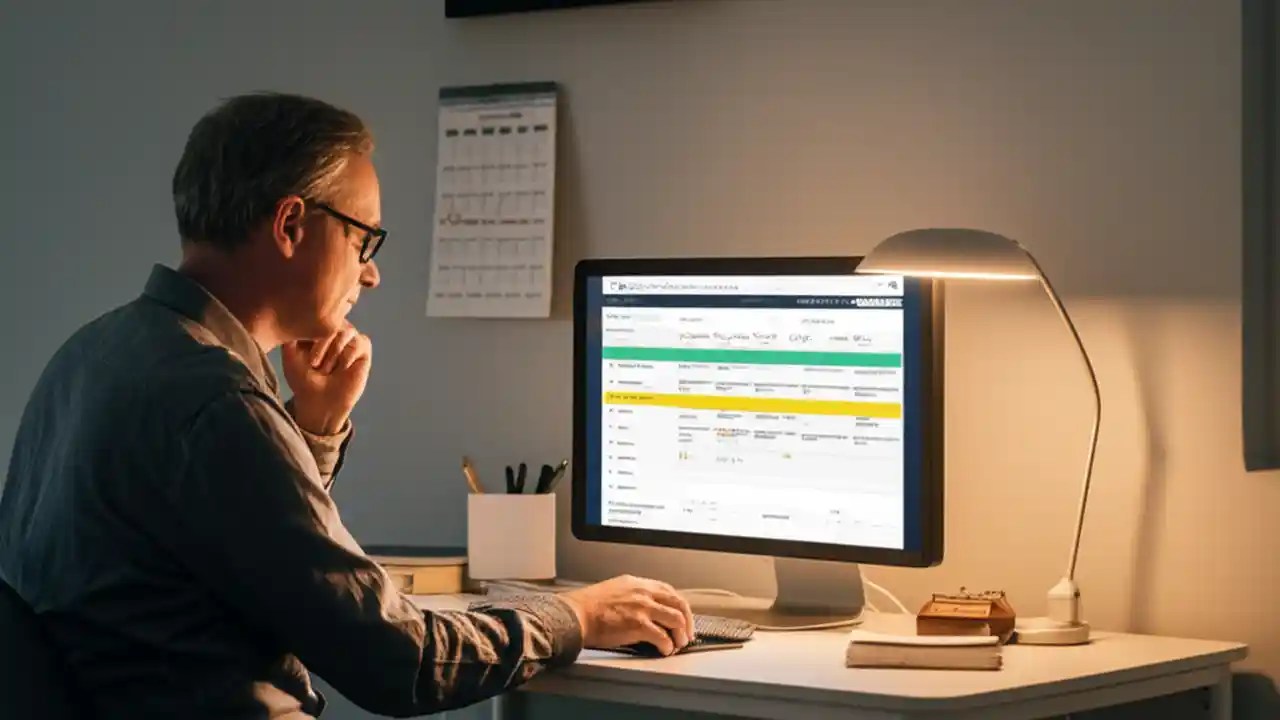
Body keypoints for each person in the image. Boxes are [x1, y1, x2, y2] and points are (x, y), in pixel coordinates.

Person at [0, 92, 693, 719]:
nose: (371, 270)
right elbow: (401, 664)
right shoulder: (217, 402)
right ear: (292, 224)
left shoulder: (92, 354)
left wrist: (312, 428)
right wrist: (577, 615)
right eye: (364, 238)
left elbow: (242, 563)